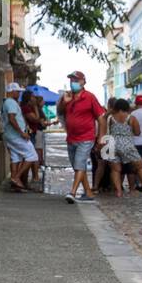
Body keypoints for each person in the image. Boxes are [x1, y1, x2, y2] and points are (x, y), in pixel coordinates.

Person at [57, 71, 105, 203]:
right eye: (71, 80)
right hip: (71, 138)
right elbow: (60, 112)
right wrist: (64, 103)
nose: (73, 83)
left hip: (86, 137)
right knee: (78, 166)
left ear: (83, 81)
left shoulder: (90, 97)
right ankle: (88, 193)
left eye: (76, 80)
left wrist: (101, 137)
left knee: (79, 164)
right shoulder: (67, 96)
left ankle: (72, 192)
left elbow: (101, 118)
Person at [99, 98, 142, 197]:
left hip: (112, 145)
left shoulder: (110, 118)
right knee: (141, 166)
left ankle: (119, 191)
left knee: (115, 169)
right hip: (127, 145)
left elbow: (103, 122)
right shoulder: (131, 118)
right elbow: (138, 132)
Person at [0, 82, 37, 192]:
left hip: (10, 135)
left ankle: (16, 184)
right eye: (17, 91)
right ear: (11, 92)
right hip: (16, 135)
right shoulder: (10, 102)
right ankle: (16, 178)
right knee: (32, 156)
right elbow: (12, 119)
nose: (19, 93)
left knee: (16, 158)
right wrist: (22, 133)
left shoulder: (9, 102)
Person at [20, 88, 47, 187]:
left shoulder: (29, 107)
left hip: (32, 133)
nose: (34, 98)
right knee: (30, 157)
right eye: (32, 96)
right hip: (29, 134)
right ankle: (22, 179)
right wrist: (36, 106)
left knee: (31, 157)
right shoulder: (26, 108)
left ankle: (25, 180)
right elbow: (36, 119)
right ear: (28, 98)